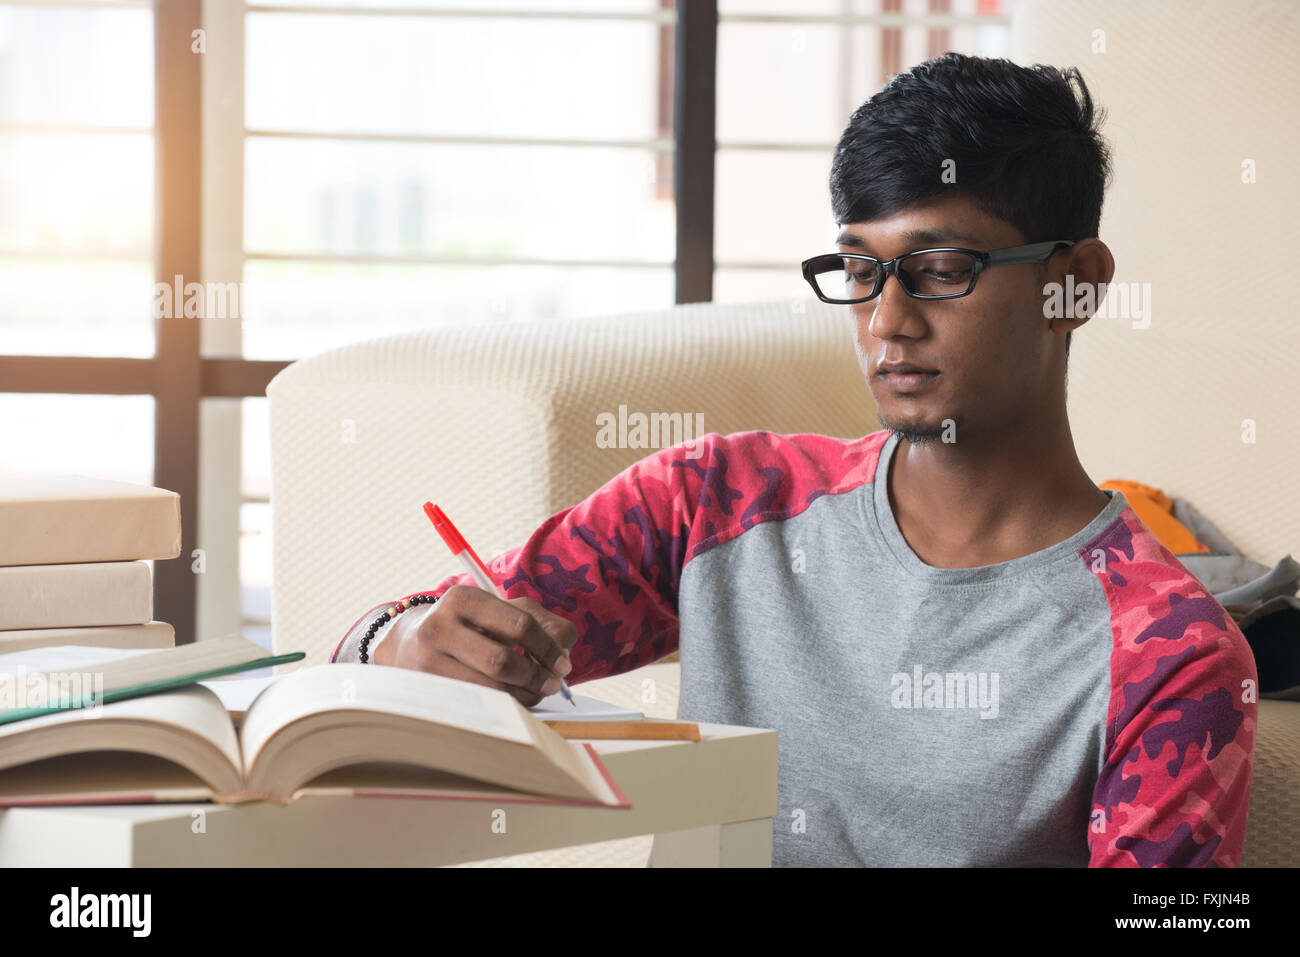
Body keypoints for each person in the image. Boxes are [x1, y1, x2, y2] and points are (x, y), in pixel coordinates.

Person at [330, 52, 1256, 867]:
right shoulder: (717, 499)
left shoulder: (1170, 654)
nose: (887, 322)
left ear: (1074, 286)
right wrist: (404, 644)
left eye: (940, 269)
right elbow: (403, 637)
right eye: (860, 272)